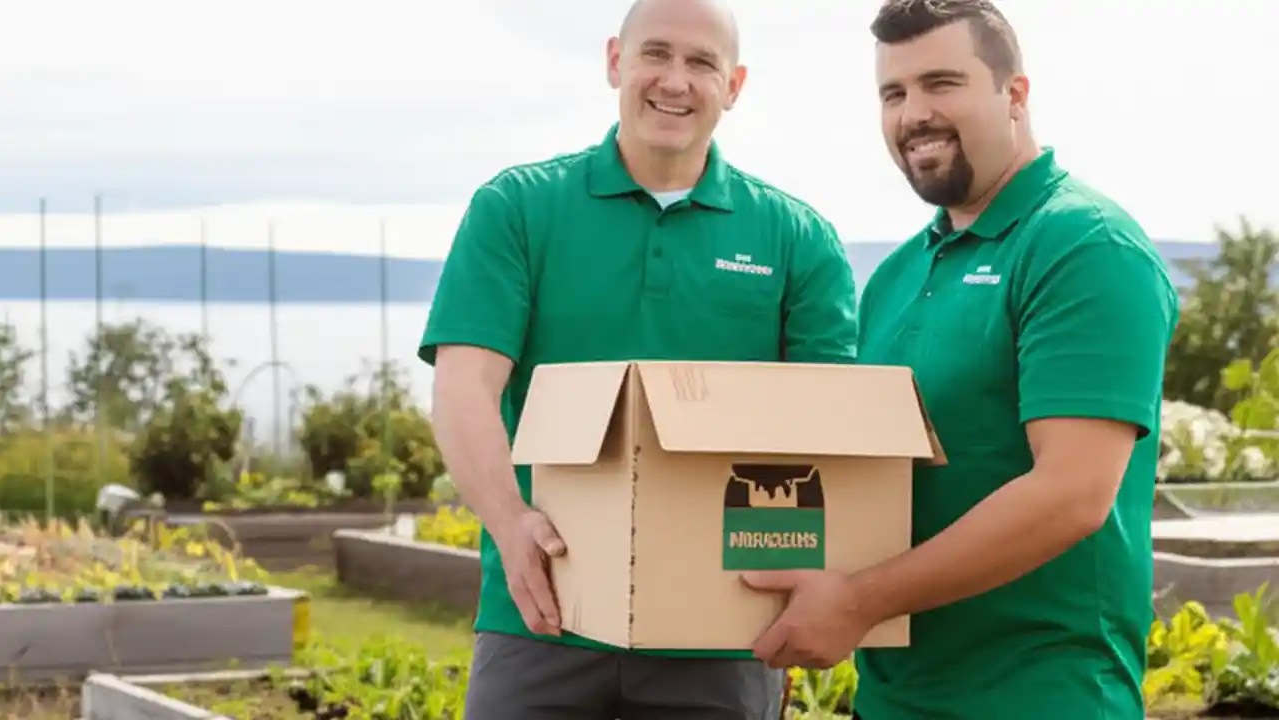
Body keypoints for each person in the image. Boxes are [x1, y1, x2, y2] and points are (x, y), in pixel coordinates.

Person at [417, 0, 860, 717]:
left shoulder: (795, 237)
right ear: (615, 61)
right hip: (540, 611)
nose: (675, 81)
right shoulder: (518, 209)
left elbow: (829, 429)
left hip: (721, 631)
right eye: (656, 54)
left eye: (701, 63)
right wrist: (510, 523)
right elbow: (464, 387)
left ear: (735, 85)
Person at [740, 1, 1180, 718]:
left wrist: (856, 603)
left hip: (1042, 695)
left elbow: (1072, 493)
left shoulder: (1085, 246)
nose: (914, 113)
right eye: (894, 92)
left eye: (941, 83)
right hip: (894, 695)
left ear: (1015, 94)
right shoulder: (898, 274)